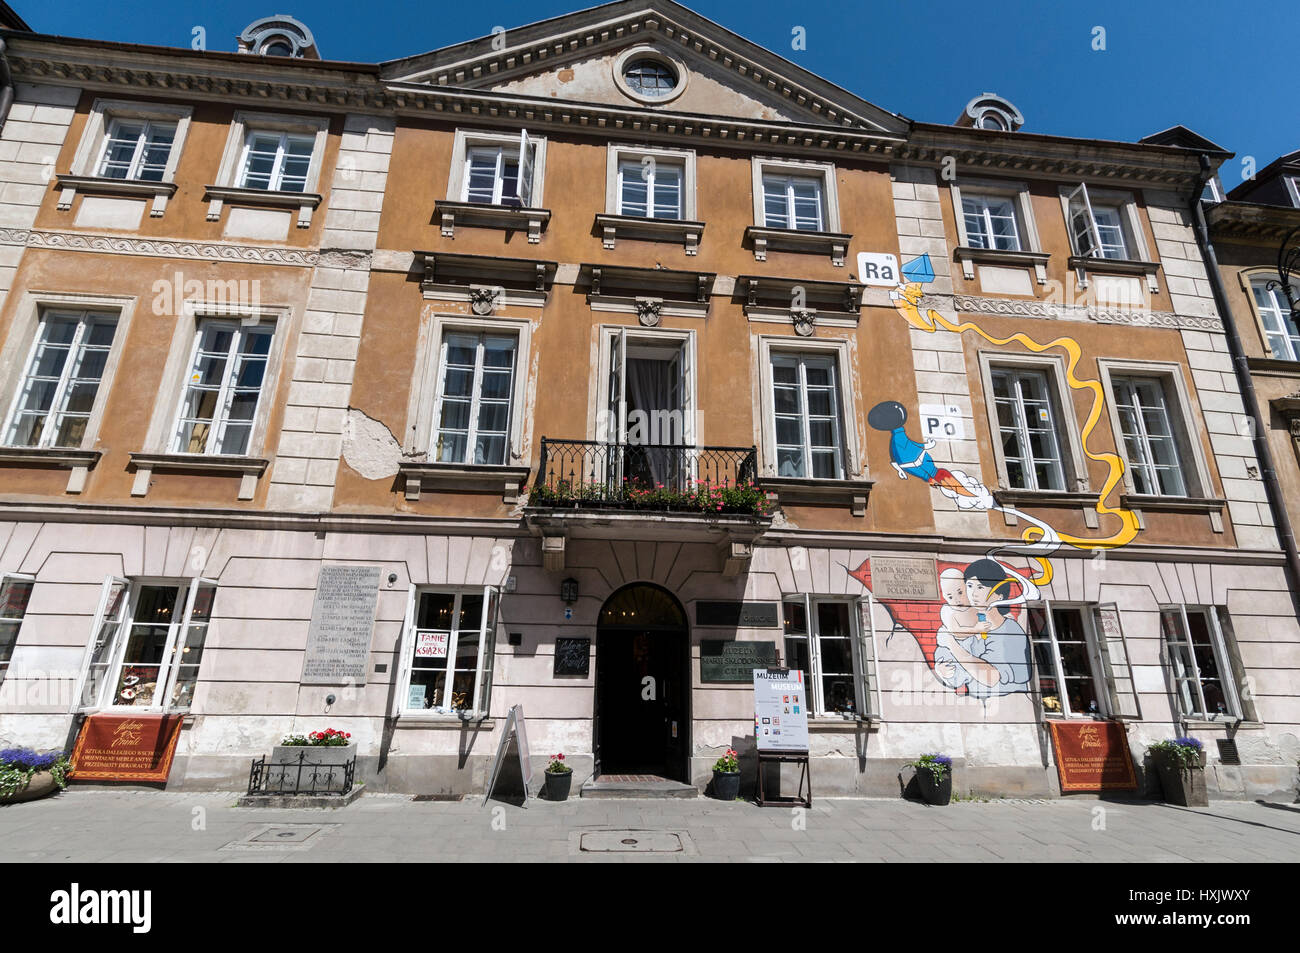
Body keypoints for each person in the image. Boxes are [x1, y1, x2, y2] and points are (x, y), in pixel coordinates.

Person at [933, 558, 1031, 697]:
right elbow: (959, 675)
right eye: (970, 586)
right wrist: (943, 670)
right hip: (978, 711)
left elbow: (990, 678)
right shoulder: (970, 629)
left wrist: (951, 643)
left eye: (980, 587)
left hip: (1008, 706)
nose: (973, 594)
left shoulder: (1010, 631)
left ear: (999, 595)